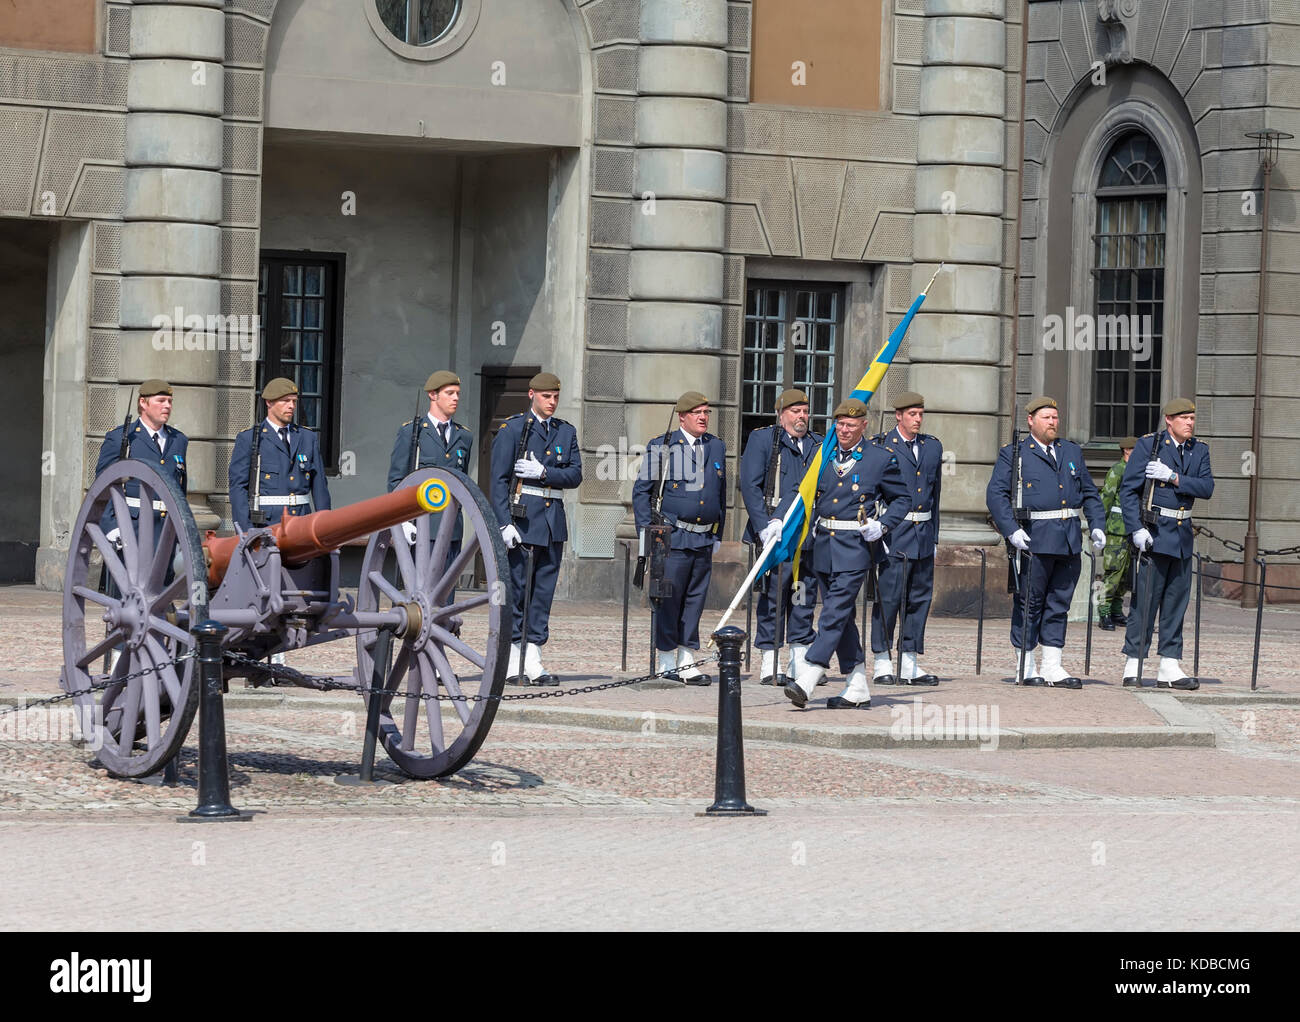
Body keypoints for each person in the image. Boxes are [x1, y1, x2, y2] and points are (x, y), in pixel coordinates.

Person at [784, 398, 911, 710]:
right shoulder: (822, 453)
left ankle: (810, 674)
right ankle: (856, 686)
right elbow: (803, 492)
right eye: (840, 424)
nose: (844, 430)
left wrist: (882, 525)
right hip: (824, 545)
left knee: (834, 612)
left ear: (863, 426)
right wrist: (779, 521)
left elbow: (902, 499)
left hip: (856, 547)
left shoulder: (880, 459)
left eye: (851, 426)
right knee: (843, 617)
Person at [986, 396, 1106, 688]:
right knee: (1030, 603)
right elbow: (996, 494)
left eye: (1055, 417)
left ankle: (1052, 665)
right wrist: (1011, 530)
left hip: (1067, 539)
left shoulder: (1071, 451)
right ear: (1031, 421)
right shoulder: (1015, 454)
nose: (1053, 422)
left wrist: (1098, 525)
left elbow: (1089, 492)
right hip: (1034, 539)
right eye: (1046, 417)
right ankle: (1025, 665)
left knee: (1059, 603)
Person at [489, 371, 582, 686]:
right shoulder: (514, 429)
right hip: (523, 521)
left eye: (556, 397)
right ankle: (513, 659)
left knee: (542, 595)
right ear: (532, 395)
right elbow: (499, 480)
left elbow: (575, 475)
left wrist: (544, 472)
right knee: (517, 592)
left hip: (552, 521)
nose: (552, 402)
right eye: (546, 396)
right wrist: (504, 522)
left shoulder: (565, 432)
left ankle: (533, 659)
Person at [633, 391, 728, 685]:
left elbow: (720, 495)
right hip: (673, 536)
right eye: (697, 412)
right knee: (668, 599)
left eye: (706, 412)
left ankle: (687, 662)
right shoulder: (662, 446)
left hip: (703, 538)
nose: (703, 417)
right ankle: (665, 660)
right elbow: (642, 492)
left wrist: (718, 534)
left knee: (695, 600)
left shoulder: (716, 446)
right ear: (682, 417)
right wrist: (647, 535)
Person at [1120, 399, 1214, 689]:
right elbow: (1128, 490)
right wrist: (1135, 528)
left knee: (1175, 604)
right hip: (1154, 532)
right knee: (1145, 602)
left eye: (1192, 418)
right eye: (1184, 418)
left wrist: (1173, 477)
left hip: (1182, 535)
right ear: (1169, 420)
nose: (1190, 422)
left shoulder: (1199, 450)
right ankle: (1133, 663)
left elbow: (1206, 488)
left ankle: (1169, 666)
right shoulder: (1150, 446)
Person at [738, 389, 821, 686]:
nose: (802, 417)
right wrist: (763, 525)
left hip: (806, 535)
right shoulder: (765, 440)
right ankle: (770, 660)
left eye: (805, 411)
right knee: (772, 597)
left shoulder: (817, 444)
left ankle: (799, 660)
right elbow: (749, 485)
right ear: (782, 413)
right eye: (796, 411)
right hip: (774, 533)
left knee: (802, 596)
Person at [870, 391, 942, 686]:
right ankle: (882, 660)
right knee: (889, 598)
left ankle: (910, 659)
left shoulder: (932, 447)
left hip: (922, 534)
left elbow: (936, 496)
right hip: (895, 533)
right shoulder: (883, 446)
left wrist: (934, 538)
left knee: (918, 599)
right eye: (912, 414)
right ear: (898, 415)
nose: (917, 420)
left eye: (920, 414)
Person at [95, 378, 189, 591]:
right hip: (132, 528)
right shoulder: (122, 437)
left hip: (165, 531)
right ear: (143, 403)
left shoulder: (179, 440)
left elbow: (180, 490)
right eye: (161, 400)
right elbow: (104, 485)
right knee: (126, 596)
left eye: (170, 401)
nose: (167, 406)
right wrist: (111, 528)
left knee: (159, 596)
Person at [387, 370, 474, 589]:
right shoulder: (412, 432)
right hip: (422, 526)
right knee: (420, 593)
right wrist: (402, 521)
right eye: (449, 393)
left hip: (452, 527)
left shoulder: (464, 436)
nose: (455, 398)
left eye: (457, 393)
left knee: (446, 596)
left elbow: (460, 482)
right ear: (432, 395)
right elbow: (397, 480)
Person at [229, 377, 331, 531]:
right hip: (267, 524)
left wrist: (325, 526)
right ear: (269, 402)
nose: (291, 406)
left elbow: (319, 486)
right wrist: (245, 531)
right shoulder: (250, 438)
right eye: (285, 401)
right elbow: (238, 488)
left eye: (294, 401)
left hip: (301, 520)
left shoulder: (307, 438)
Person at [1098, 435, 1138, 630]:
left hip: (1131, 529)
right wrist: (1099, 525)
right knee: (1112, 572)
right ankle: (1102, 612)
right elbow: (1106, 498)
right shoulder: (1117, 470)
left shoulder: (1137, 470)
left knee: (1124, 576)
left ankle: (1115, 611)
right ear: (1127, 451)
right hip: (1116, 529)